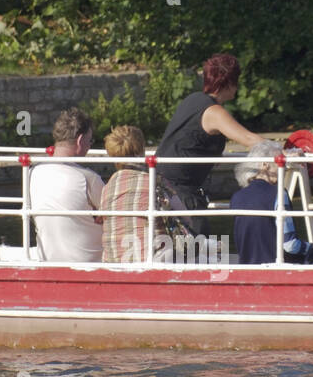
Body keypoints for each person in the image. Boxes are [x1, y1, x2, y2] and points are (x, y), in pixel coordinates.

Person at [157, 53, 264, 235]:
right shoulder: (214, 112)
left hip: (160, 185)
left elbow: (188, 140)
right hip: (181, 191)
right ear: (229, 82)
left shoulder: (192, 100)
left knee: (188, 247)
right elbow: (248, 140)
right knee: (199, 244)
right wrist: (288, 150)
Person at [98, 125, 191, 263]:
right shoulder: (155, 181)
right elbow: (185, 217)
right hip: (151, 260)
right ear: (141, 150)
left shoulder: (107, 187)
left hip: (113, 261)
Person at [28, 108, 104, 262]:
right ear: (80, 140)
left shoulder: (32, 173)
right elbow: (115, 216)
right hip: (90, 267)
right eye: (90, 141)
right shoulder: (88, 178)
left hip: (48, 262)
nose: (89, 147)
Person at [230, 140, 303, 265]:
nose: (284, 167)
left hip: (247, 267)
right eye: (280, 162)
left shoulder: (236, 197)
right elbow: (290, 245)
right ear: (265, 165)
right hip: (276, 268)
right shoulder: (279, 193)